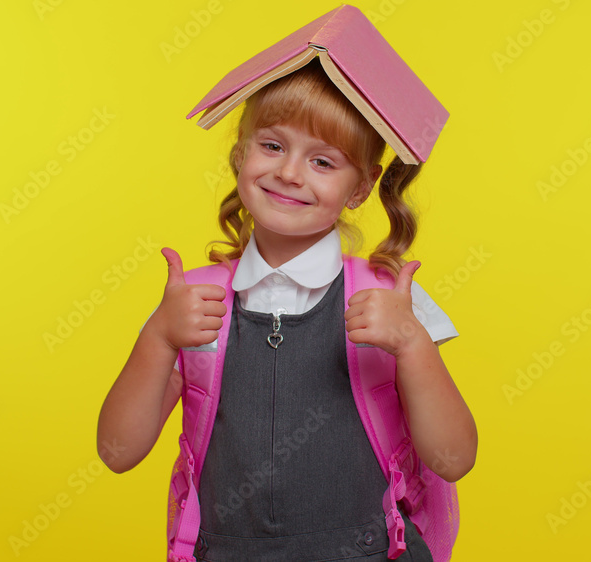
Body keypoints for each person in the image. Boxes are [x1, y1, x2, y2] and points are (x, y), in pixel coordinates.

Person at [96, 58, 476, 561]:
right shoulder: (193, 303)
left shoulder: (391, 300)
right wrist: (159, 339)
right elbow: (118, 453)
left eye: (323, 161)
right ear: (240, 154)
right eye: (272, 146)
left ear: (362, 186)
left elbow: (453, 459)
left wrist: (412, 344)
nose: (289, 172)